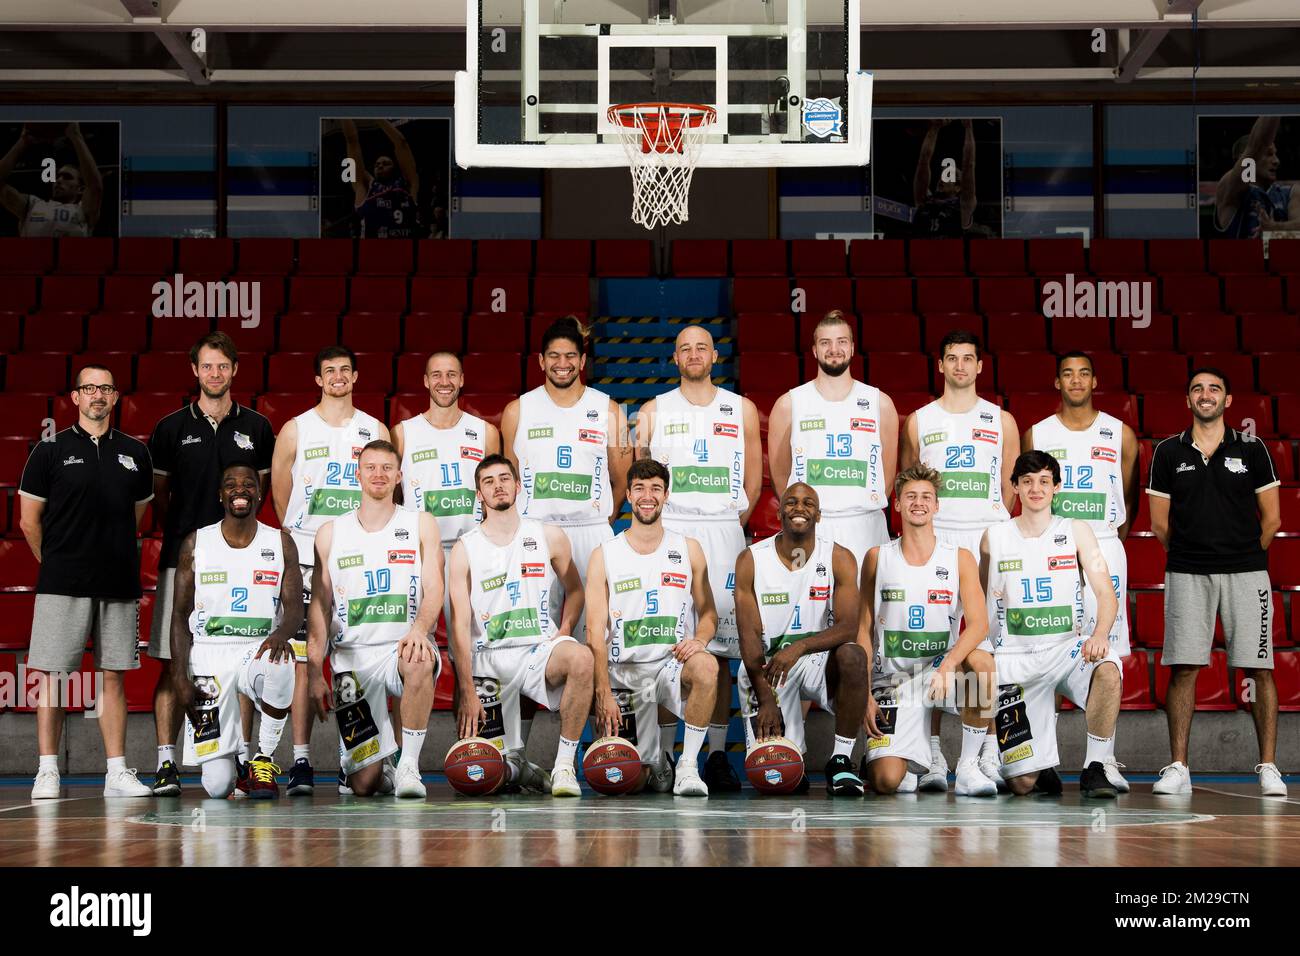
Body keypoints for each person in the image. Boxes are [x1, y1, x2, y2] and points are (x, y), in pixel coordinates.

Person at [501, 316, 631, 784]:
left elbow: (623, 479)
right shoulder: (518, 411)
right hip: (534, 537)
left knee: (601, 642)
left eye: (570, 356)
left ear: (582, 361)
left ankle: (602, 753)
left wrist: (598, 524)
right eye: (553, 356)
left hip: (592, 532)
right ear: (540, 361)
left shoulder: (610, 411)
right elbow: (507, 482)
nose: (562, 363)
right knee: (526, 640)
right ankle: (514, 754)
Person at [147, 332, 276, 796]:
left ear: (234, 370)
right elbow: (160, 500)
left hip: (243, 562)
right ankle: (165, 763)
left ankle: (242, 761)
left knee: (242, 664)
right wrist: (189, 541)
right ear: (195, 371)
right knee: (171, 660)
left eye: (223, 366)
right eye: (207, 366)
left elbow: (259, 494)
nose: (215, 374)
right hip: (185, 559)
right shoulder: (169, 428)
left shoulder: (258, 428)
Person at [1147, 369, 1286, 797]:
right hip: (1188, 572)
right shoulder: (1168, 452)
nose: (1205, 395)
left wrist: (1240, 552)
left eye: (1214, 389)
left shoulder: (1253, 448)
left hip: (1247, 572)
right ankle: (1178, 767)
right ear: (1187, 399)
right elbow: (1157, 523)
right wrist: (1194, 553)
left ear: (1228, 400)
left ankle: (1267, 767)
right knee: (1184, 668)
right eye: (1197, 389)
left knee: (1259, 668)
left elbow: (1273, 518)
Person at [638, 324, 762, 792]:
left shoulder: (741, 409)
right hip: (673, 531)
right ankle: (669, 757)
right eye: (684, 348)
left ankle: (713, 756)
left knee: (723, 651)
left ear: (714, 356)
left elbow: (752, 483)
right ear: (674, 358)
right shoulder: (651, 411)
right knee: (675, 647)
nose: (693, 354)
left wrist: (726, 520)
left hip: (725, 533)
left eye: (701, 348)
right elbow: (642, 475)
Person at [20, 365, 154, 799]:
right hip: (63, 583)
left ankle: (116, 772)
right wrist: (58, 562)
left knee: (113, 676)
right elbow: (28, 522)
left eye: (105, 388)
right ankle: (47, 771)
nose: (97, 395)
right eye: (89, 388)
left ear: (116, 397)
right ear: (75, 397)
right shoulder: (49, 451)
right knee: (54, 677)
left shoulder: (137, 453)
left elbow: (136, 517)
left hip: (118, 582)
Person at [902, 329, 1017, 791]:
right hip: (938, 539)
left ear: (980, 366)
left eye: (969, 359)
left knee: (983, 649)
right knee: (933, 644)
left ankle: (987, 750)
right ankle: (931, 754)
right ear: (941, 365)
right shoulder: (920, 419)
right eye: (953, 358)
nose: (961, 367)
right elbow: (912, 477)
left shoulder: (1001, 420)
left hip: (985, 540)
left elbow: (1010, 485)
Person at [271, 345, 390, 794]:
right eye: (329, 371)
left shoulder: (373, 427)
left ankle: (352, 757)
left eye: (344, 370)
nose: (337, 377)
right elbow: (282, 499)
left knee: (354, 657)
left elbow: (382, 490)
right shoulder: (296, 429)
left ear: (355, 376)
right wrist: (308, 538)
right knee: (306, 662)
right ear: (318, 380)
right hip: (306, 555)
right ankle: (301, 761)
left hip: (358, 556)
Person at [1023, 350, 1139, 792]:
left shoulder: (1120, 433)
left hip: (1105, 547)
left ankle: (1102, 763)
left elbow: (1127, 498)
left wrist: (1105, 541)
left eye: (1083, 373)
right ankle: (1045, 761)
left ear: (1095, 380)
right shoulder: (1039, 432)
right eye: (1067, 374)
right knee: (1049, 649)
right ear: (1057, 382)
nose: (1076, 380)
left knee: (1107, 654)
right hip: (1051, 547)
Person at [447, 454, 591, 797]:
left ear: (517, 485)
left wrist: (566, 628)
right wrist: (466, 689)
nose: (498, 486)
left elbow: (576, 590)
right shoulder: (465, 549)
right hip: (489, 659)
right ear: (479, 494)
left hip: (537, 650)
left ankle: (564, 767)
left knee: (582, 659)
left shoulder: (548, 536)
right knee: (484, 777)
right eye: (488, 481)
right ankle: (519, 768)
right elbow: (459, 627)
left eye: (504, 478)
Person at [980, 450, 1121, 798]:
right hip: (1016, 656)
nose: (1036, 488)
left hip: (1067, 648)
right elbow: (981, 603)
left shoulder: (1076, 531)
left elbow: (1106, 592)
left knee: (1108, 668)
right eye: (1027, 481)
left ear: (1057, 487)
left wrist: (1100, 634)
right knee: (1021, 785)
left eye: (1044, 481)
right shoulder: (993, 537)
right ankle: (1039, 766)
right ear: (1014, 487)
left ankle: (1096, 767)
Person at [305, 441, 442, 798]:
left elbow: (435, 588)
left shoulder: (420, 524)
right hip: (351, 657)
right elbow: (319, 607)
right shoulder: (330, 533)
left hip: (400, 645)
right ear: (358, 474)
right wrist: (313, 670)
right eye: (370, 467)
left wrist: (420, 631)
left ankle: (409, 765)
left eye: (386, 468)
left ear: (399, 476)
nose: (378, 474)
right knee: (364, 785)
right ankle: (382, 769)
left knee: (419, 657)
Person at [860, 464, 997, 796]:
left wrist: (949, 664)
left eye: (926, 497)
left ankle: (966, 767)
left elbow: (979, 625)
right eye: (910, 496)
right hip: (893, 683)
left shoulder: (959, 558)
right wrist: (863, 692)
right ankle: (908, 767)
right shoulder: (878, 557)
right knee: (885, 781)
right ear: (897, 504)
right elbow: (864, 629)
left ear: (936, 505)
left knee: (982, 663)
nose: (918, 503)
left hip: (941, 672)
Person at [169, 464, 303, 799]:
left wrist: (281, 634)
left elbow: (295, 608)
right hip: (208, 656)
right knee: (217, 786)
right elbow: (179, 616)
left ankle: (263, 759)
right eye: (230, 484)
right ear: (220, 495)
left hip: (255, 649)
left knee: (280, 661)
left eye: (248, 484)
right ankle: (235, 768)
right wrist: (179, 676)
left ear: (259, 493)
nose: (239, 490)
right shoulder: (196, 543)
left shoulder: (281, 543)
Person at [587, 459, 718, 796]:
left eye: (656, 489)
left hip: (668, 667)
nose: (648, 496)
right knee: (630, 781)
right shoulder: (604, 554)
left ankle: (688, 766)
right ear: (628, 495)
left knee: (706, 665)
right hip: (624, 674)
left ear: (666, 494)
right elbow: (594, 634)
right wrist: (602, 692)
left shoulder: (688, 548)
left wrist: (700, 640)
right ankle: (657, 758)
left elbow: (708, 613)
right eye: (640, 489)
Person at [734, 483, 870, 796]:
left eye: (808, 503)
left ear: (818, 515)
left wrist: (800, 647)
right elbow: (748, 635)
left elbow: (850, 626)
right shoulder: (751, 559)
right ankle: (795, 761)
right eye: (791, 502)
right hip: (769, 665)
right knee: (781, 777)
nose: (799, 508)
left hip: (816, 660)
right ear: (779, 512)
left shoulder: (839, 557)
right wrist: (765, 697)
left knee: (853, 655)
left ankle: (841, 760)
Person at [767, 309, 898, 572]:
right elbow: (780, 476)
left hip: (865, 526)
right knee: (807, 609)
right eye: (825, 342)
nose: (834, 349)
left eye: (841, 342)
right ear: (814, 350)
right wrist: (804, 512)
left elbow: (887, 477)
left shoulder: (879, 403)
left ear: (852, 348)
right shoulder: (789, 404)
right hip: (810, 526)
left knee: (865, 610)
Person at [393, 351, 500, 645]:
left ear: (462, 380)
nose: (444, 381)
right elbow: (395, 495)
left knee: (473, 647)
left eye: (451, 374)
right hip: (418, 552)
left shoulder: (485, 433)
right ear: (426, 381)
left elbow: (495, 493)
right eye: (437, 375)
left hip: (470, 549)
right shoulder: (403, 433)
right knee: (415, 646)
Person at [0, 122, 102, 237]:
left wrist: (76, 136)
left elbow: (95, 187)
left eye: (67, 177)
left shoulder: (84, 211)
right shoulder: (31, 205)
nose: (58, 180)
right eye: (58, 176)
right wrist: (23, 142)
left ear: (81, 189)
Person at [1214, 115, 1299, 238]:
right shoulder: (1230, 188)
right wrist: (1275, 101)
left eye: (1275, 154)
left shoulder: (1291, 193)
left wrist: (1274, 227)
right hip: (1241, 257)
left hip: (1282, 256)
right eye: (1269, 154)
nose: (1277, 161)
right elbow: (1257, 145)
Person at [341, 118, 421, 239]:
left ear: (395, 167)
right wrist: (343, 110)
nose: (380, 166)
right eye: (377, 164)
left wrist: (375, 116)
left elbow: (401, 143)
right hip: (372, 254)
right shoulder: (364, 186)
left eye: (385, 163)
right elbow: (351, 141)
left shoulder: (407, 185)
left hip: (404, 253)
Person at [911, 119, 976, 238]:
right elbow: (923, 161)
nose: (943, 179)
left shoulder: (964, 207)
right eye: (944, 175)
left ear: (958, 188)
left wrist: (968, 128)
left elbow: (969, 165)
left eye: (950, 176)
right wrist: (934, 128)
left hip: (947, 255)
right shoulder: (924, 200)